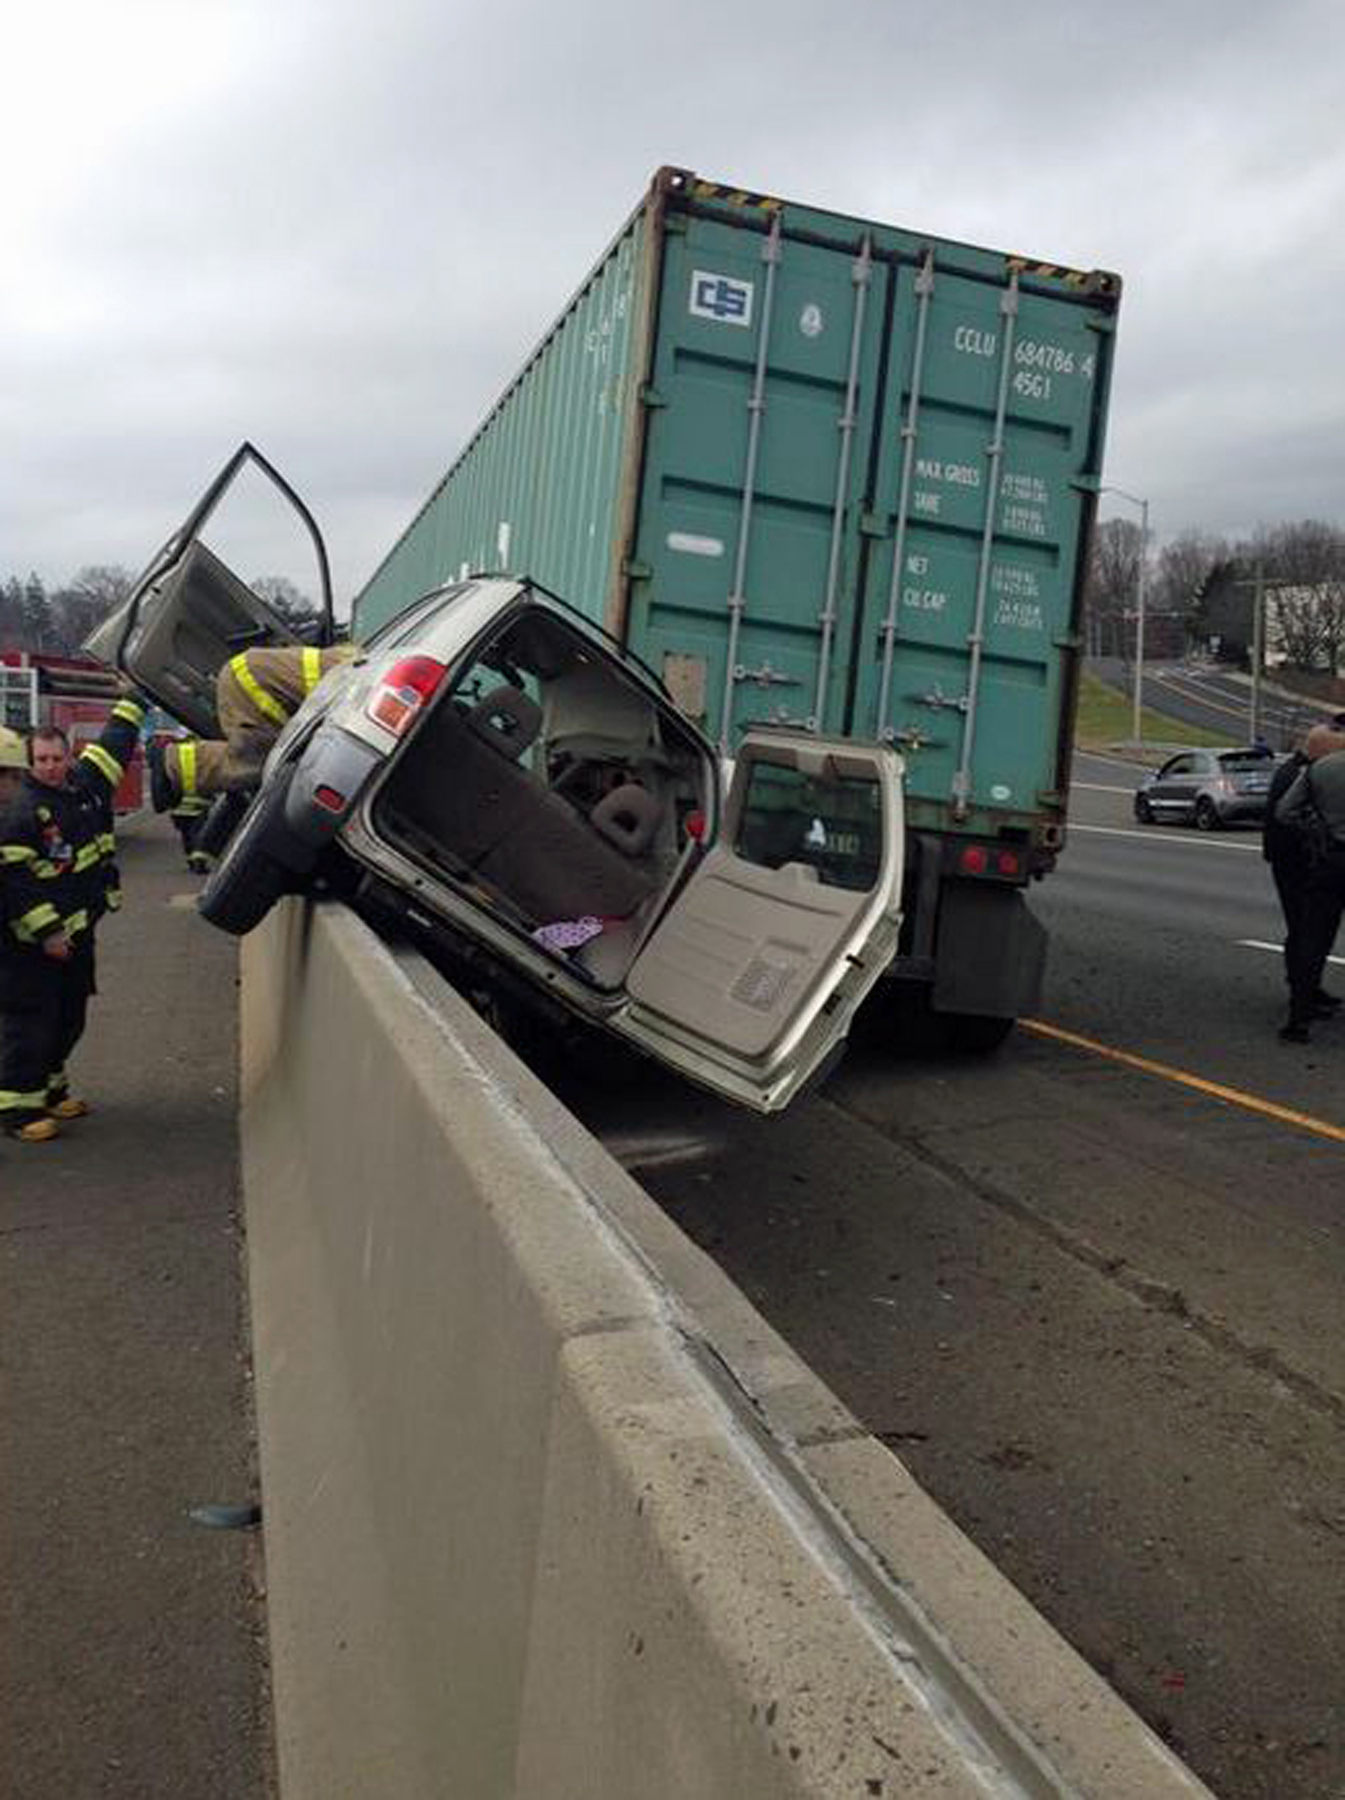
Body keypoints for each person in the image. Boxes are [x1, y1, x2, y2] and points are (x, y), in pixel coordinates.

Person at [0, 695, 147, 1141]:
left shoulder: (81, 788)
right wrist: (48, 932)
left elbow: (113, 747)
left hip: (78, 931)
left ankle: (51, 1088)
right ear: (28, 765)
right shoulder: (22, 815)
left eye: (56, 757)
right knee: (30, 1022)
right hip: (32, 944)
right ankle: (17, 1111)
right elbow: (18, 885)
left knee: (69, 1015)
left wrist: (133, 702)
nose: (49, 766)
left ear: (69, 758)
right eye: (40, 759)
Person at [147, 643, 355, 810]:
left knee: (259, 760)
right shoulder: (373, 674)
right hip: (254, 688)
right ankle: (172, 765)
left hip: (248, 677)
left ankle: (175, 765)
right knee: (266, 764)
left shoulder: (362, 659)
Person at [1262, 712, 1345, 1024]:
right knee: (1306, 933)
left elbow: (1287, 815)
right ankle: (1303, 995)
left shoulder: (1306, 771)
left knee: (1312, 935)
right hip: (1297, 865)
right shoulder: (1295, 774)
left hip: (1318, 864)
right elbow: (1282, 821)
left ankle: (1307, 997)